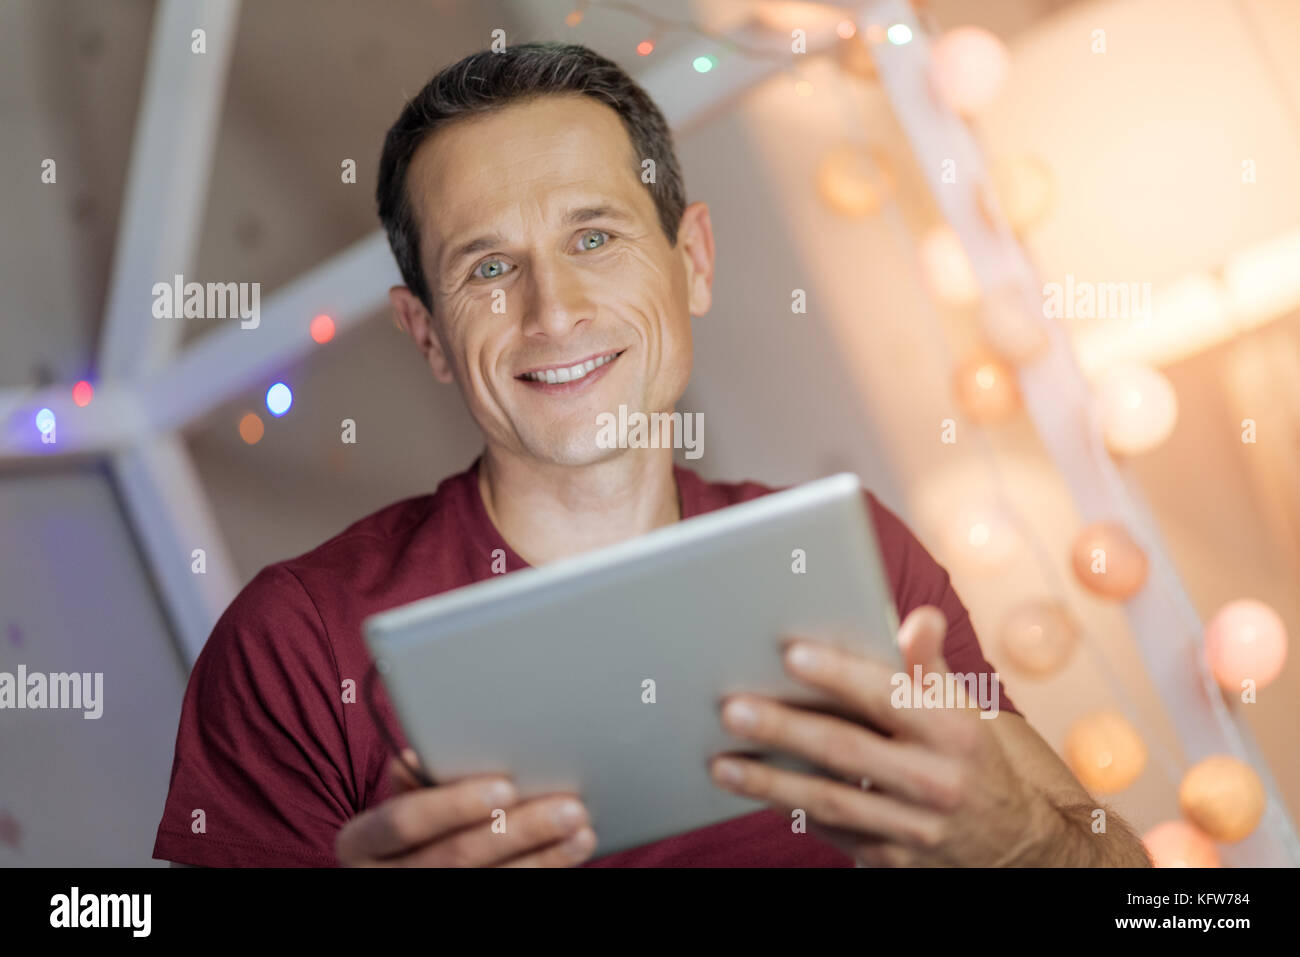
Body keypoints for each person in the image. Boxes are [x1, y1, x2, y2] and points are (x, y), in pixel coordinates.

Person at [154, 42, 1150, 868]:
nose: (554, 313)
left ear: (694, 263)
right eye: (490, 268)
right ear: (426, 336)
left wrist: (1014, 837)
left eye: (595, 238)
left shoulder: (849, 557)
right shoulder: (297, 642)